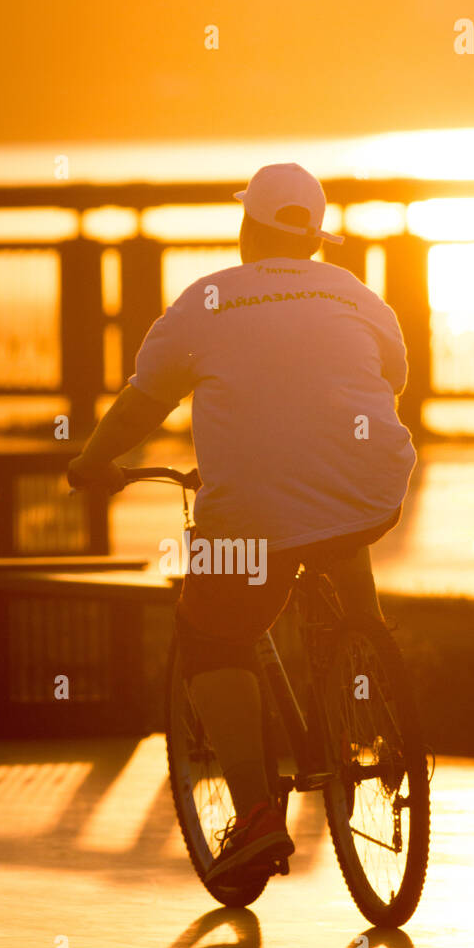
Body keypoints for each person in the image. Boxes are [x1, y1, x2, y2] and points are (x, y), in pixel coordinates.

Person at [68, 163, 416, 884]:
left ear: (247, 228)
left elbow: (143, 403)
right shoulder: (352, 291)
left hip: (253, 513)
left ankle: (257, 813)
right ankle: (372, 666)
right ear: (316, 240)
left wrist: (91, 462)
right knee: (340, 520)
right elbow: (394, 376)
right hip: (374, 487)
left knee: (212, 639)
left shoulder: (208, 300)